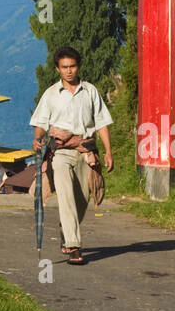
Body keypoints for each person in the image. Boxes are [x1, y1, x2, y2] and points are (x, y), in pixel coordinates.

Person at [29, 46, 113, 265]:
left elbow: (102, 123)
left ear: (78, 66)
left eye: (72, 66)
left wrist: (108, 152)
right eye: (64, 67)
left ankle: (67, 232)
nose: (69, 71)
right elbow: (40, 123)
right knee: (65, 195)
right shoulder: (51, 94)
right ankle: (74, 247)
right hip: (61, 153)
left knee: (82, 200)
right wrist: (38, 138)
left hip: (86, 151)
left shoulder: (90, 91)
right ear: (57, 69)